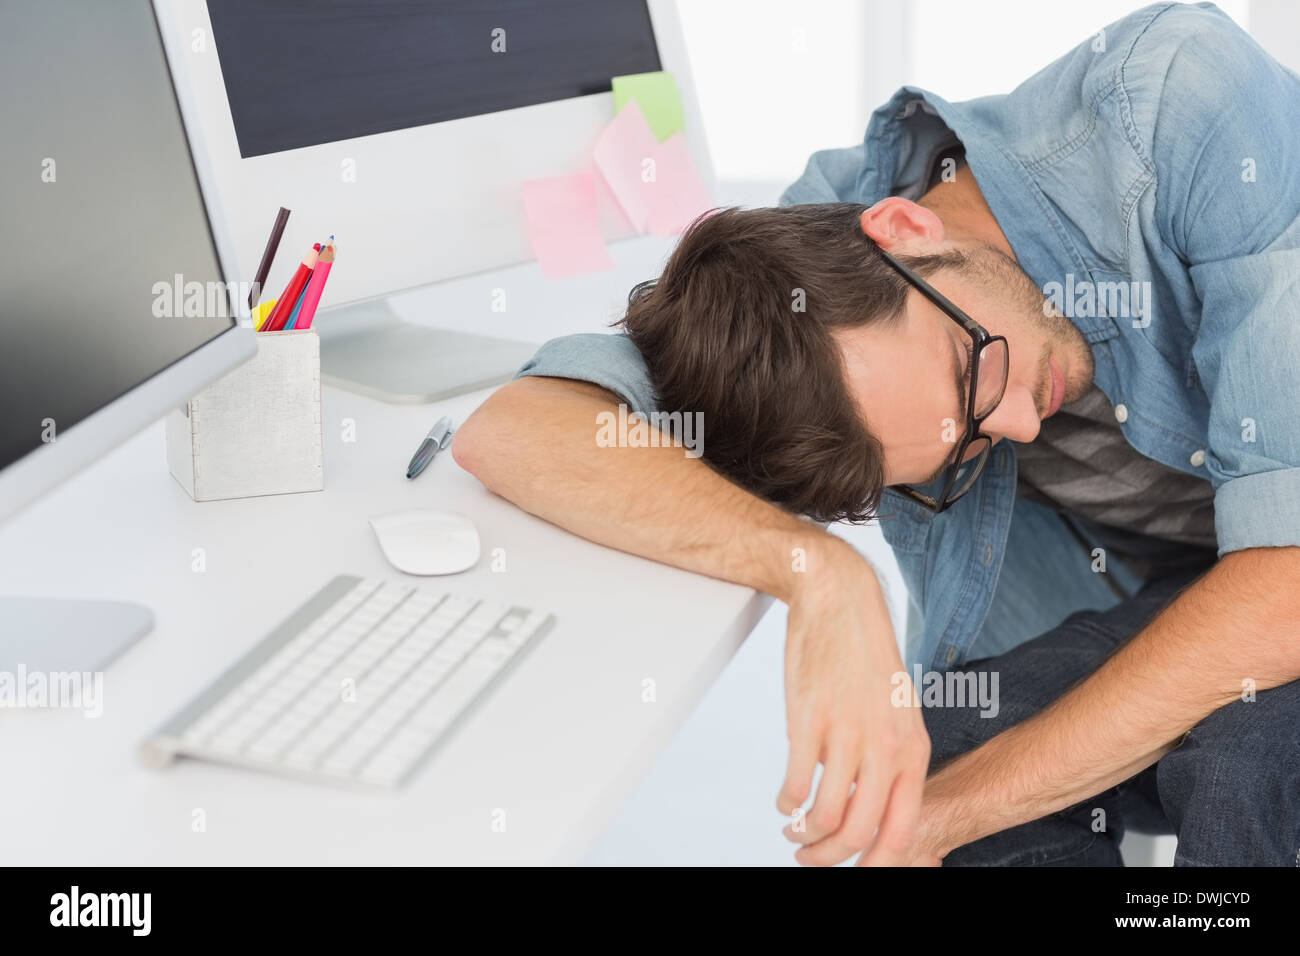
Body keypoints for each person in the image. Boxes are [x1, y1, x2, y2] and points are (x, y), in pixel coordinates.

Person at [453, 2, 1300, 865]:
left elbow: (1285, 587)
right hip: (1184, 588)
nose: (1019, 422)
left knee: (1240, 771)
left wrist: (944, 818)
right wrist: (819, 572)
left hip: (1281, 574)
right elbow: (519, 426)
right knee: (951, 744)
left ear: (904, 229)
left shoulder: (1184, 99)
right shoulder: (779, 297)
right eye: (968, 450)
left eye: (974, 371)